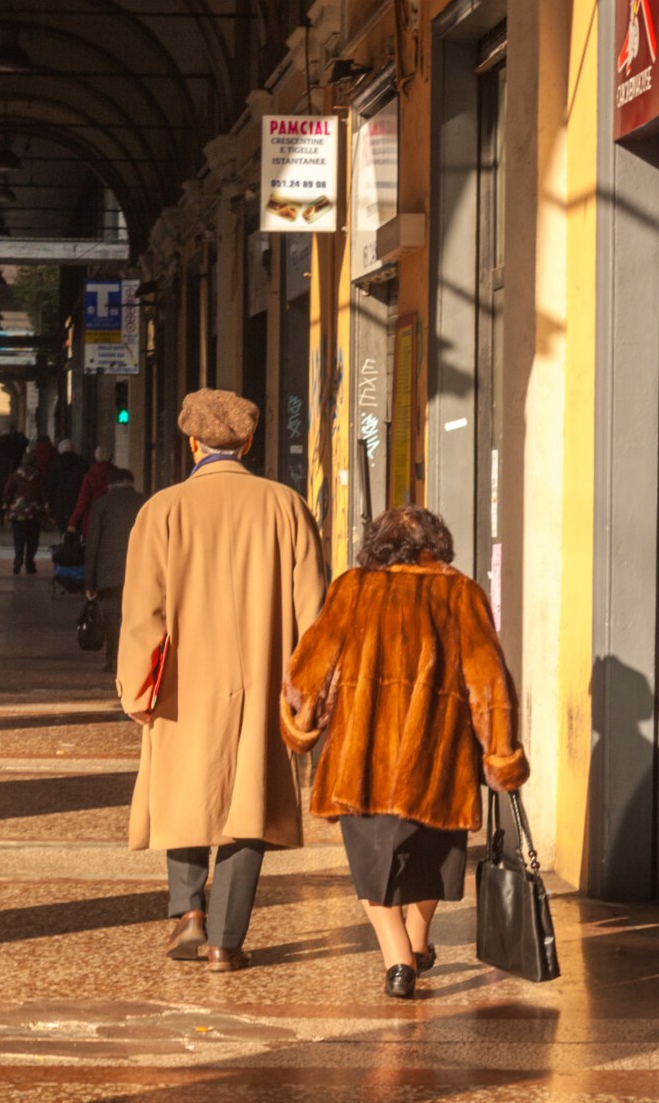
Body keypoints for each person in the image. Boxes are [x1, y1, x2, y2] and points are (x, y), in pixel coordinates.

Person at [281, 504, 529, 1000]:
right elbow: (490, 682)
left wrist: (301, 724)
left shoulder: (352, 588)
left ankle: (399, 960)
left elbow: (309, 669)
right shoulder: (462, 593)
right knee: (433, 861)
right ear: (437, 546)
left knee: (372, 867)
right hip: (437, 762)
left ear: (378, 545)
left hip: (362, 759)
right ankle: (414, 944)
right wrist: (500, 752)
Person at [118, 389, 326, 973]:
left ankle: (188, 912)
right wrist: (308, 691)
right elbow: (314, 611)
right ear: (249, 442)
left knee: (186, 790)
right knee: (248, 802)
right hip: (262, 681)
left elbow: (143, 615)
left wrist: (137, 690)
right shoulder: (285, 506)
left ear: (192, 444)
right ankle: (225, 943)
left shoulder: (162, 510)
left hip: (185, 683)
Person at [83, 467, 141, 674]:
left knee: (111, 617)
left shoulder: (101, 505)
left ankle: (112, 658)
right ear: (131, 482)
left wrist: (89, 582)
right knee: (136, 617)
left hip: (109, 574)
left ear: (109, 485)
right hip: (141, 572)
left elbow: (93, 546)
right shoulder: (145, 502)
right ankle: (135, 658)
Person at [0, 458, 47, 575]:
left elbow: (7, 492)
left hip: (18, 512)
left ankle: (18, 559)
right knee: (33, 540)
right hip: (34, 513)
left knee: (19, 538)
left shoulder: (15, 475)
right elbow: (43, 493)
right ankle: (30, 563)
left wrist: (8, 504)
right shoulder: (39, 476)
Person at [45, 439, 90, 553]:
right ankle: (76, 551)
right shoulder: (82, 463)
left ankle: (66, 550)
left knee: (64, 529)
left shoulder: (54, 464)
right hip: (77, 501)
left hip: (60, 503)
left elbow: (50, 487)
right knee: (76, 528)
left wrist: (50, 506)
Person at [69, 445, 117, 535]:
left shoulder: (90, 475)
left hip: (93, 517)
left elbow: (83, 500)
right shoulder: (117, 474)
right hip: (113, 517)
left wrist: (73, 521)